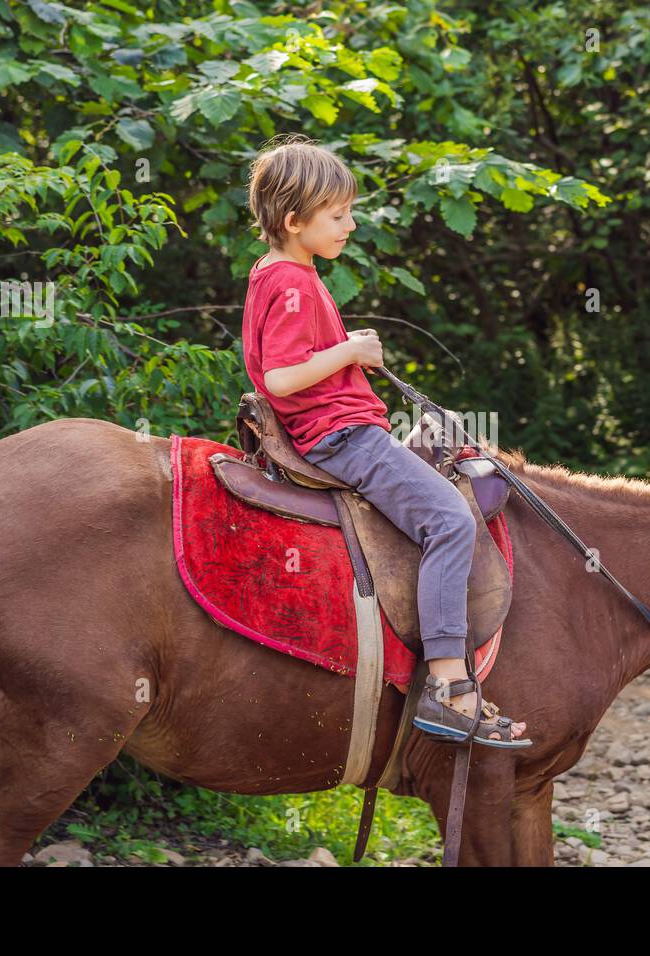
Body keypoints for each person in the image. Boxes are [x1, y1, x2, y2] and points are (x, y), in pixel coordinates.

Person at [240, 134, 529, 748]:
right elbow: (282, 378)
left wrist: (345, 354)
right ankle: (451, 684)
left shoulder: (282, 272)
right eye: (338, 215)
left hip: (344, 425)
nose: (351, 224)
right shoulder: (292, 282)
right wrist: (349, 351)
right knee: (450, 520)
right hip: (342, 438)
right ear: (294, 220)